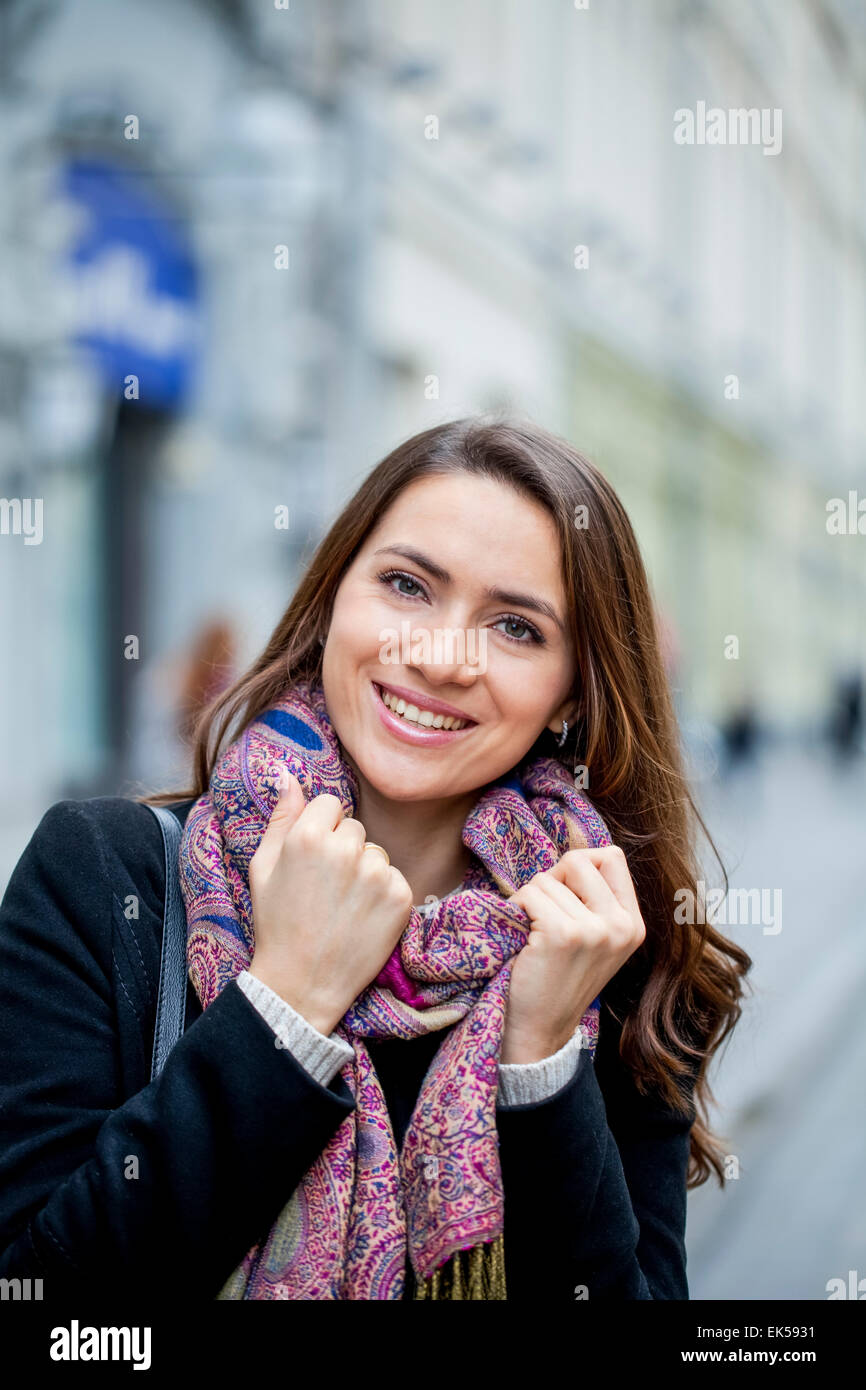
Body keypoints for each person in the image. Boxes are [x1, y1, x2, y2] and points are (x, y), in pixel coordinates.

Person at [0, 415, 751, 1301]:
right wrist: (285, 1008)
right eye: (405, 585)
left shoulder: (609, 958)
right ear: (332, 606)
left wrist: (541, 1062)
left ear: (569, 697)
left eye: (515, 627)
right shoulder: (106, 878)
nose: (439, 656)